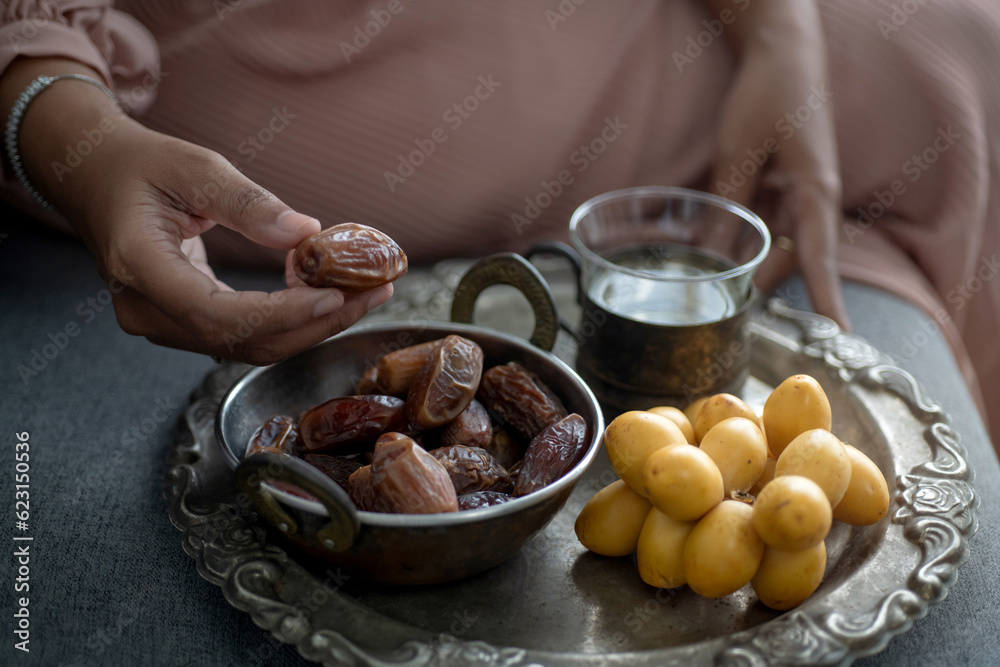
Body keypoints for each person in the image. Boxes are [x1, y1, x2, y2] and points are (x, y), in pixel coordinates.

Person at [1, 0, 998, 445]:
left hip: (767, 80)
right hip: (277, 83)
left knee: (964, 53)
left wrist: (778, 27)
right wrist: (66, 137)